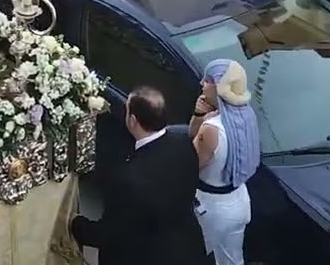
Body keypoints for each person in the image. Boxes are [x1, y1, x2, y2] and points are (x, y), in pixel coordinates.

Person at [69, 87, 207, 264]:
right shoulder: (183, 142)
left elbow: (112, 233)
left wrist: (77, 225)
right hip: (186, 247)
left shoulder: (130, 181)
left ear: (133, 120)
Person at [189, 59, 260, 265]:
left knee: (195, 256)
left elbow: (191, 166)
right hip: (239, 200)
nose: (202, 83)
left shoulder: (211, 129)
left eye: (209, 80)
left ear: (220, 87)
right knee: (232, 260)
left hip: (211, 208)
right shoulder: (247, 116)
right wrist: (199, 115)